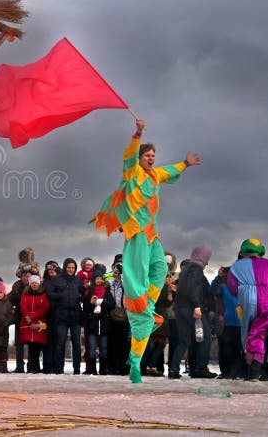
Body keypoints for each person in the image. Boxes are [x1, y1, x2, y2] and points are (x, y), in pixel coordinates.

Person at [92, 118, 200, 383]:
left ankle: (147, 304)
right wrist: (138, 133)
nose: (151, 159)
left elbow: (170, 170)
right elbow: (128, 158)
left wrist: (185, 164)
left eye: (153, 155)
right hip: (136, 234)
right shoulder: (133, 173)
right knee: (138, 289)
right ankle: (136, 364)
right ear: (141, 158)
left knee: (162, 268)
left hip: (151, 235)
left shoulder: (155, 175)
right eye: (148, 156)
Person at [226, 239, 268, 380]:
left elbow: (231, 285)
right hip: (266, 300)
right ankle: (255, 370)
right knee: (259, 334)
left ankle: (250, 368)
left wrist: (241, 293)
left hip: (246, 299)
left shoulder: (236, 266)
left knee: (247, 333)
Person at [168, 246, 216, 379]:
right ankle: (200, 369)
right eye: (207, 258)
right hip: (191, 309)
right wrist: (197, 306)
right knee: (205, 338)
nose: (207, 262)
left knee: (184, 341)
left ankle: (173, 369)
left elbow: (184, 289)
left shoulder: (186, 269)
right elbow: (193, 288)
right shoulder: (196, 269)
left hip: (179, 309)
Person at [46, 258, 83, 374]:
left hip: (76, 315)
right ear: (65, 267)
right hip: (61, 315)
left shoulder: (78, 280)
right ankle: (59, 368)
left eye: (73, 268)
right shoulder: (57, 279)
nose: (71, 270)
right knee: (61, 342)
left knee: (76, 343)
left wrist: (81, 297)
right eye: (69, 267)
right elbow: (49, 293)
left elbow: (82, 293)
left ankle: (77, 369)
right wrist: (61, 295)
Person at [212, 266, 245, 380]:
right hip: (225, 322)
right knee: (224, 348)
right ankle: (225, 372)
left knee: (237, 349)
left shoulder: (242, 287)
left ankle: (235, 372)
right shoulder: (222, 287)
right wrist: (218, 277)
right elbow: (212, 291)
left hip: (239, 323)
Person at [19, 275, 49, 373]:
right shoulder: (25, 294)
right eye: (32, 283)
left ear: (39, 284)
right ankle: (31, 366)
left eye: (36, 283)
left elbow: (44, 308)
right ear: (30, 284)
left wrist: (33, 316)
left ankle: (36, 366)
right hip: (27, 322)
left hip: (39, 323)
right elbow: (23, 306)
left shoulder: (43, 295)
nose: (34, 285)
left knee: (37, 346)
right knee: (30, 346)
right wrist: (28, 317)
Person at [83, 269, 110, 375]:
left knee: (103, 347)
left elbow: (111, 305)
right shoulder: (88, 292)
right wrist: (91, 303)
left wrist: (103, 302)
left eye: (100, 278)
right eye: (97, 278)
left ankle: (103, 370)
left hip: (103, 323)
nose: (98, 280)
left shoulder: (106, 291)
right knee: (92, 347)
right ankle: (92, 369)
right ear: (93, 280)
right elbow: (85, 308)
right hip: (92, 323)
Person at [106, 263, 130, 375]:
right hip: (113, 316)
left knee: (123, 344)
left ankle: (122, 368)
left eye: (117, 272)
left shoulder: (126, 285)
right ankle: (112, 367)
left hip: (124, 317)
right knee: (112, 343)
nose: (114, 274)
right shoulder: (110, 284)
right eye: (114, 272)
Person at [9, 270, 31, 372]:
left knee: (32, 342)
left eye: (28, 276)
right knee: (19, 343)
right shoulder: (17, 286)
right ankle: (19, 366)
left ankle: (31, 365)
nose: (26, 278)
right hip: (19, 317)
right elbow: (10, 298)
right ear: (21, 277)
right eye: (24, 276)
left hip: (31, 318)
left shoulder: (35, 286)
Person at [0, 281, 14, 373]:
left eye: (0, 292)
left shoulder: (8, 304)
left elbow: (11, 316)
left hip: (3, 330)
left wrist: (6, 324)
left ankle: (4, 368)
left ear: (4, 293)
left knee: (3, 349)